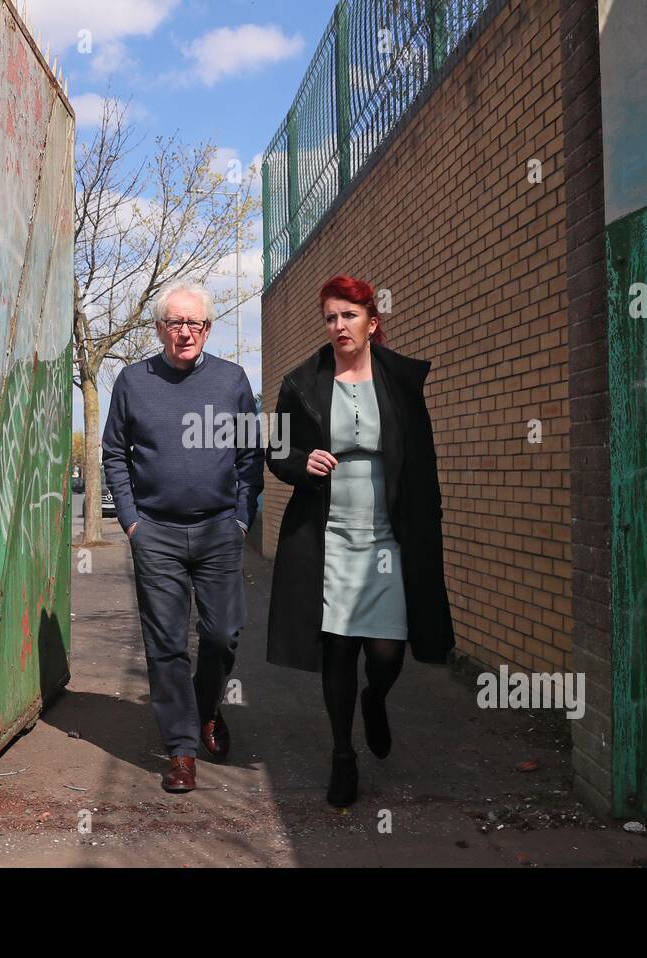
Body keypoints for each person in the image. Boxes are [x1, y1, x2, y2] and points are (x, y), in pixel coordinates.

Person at [265, 274, 454, 807]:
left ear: (372, 322)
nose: (338, 325)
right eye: (330, 316)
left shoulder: (399, 381)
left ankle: (377, 697)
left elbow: (421, 461)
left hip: (388, 538)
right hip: (328, 538)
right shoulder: (303, 381)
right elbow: (276, 451)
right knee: (339, 649)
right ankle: (342, 756)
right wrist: (303, 462)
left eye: (348, 315)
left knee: (388, 651)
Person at [102, 281, 263, 793]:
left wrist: (241, 518)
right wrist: (132, 523)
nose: (185, 332)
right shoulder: (132, 381)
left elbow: (249, 455)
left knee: (222, 633)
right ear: (160, 328)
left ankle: (206, 707)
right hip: (158, 533)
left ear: (208, 328)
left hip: (219, 529)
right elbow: (114, 455)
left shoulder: (232, 380)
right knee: (166, 643)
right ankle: (182, 749)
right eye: (175, 322)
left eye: (195, 323)